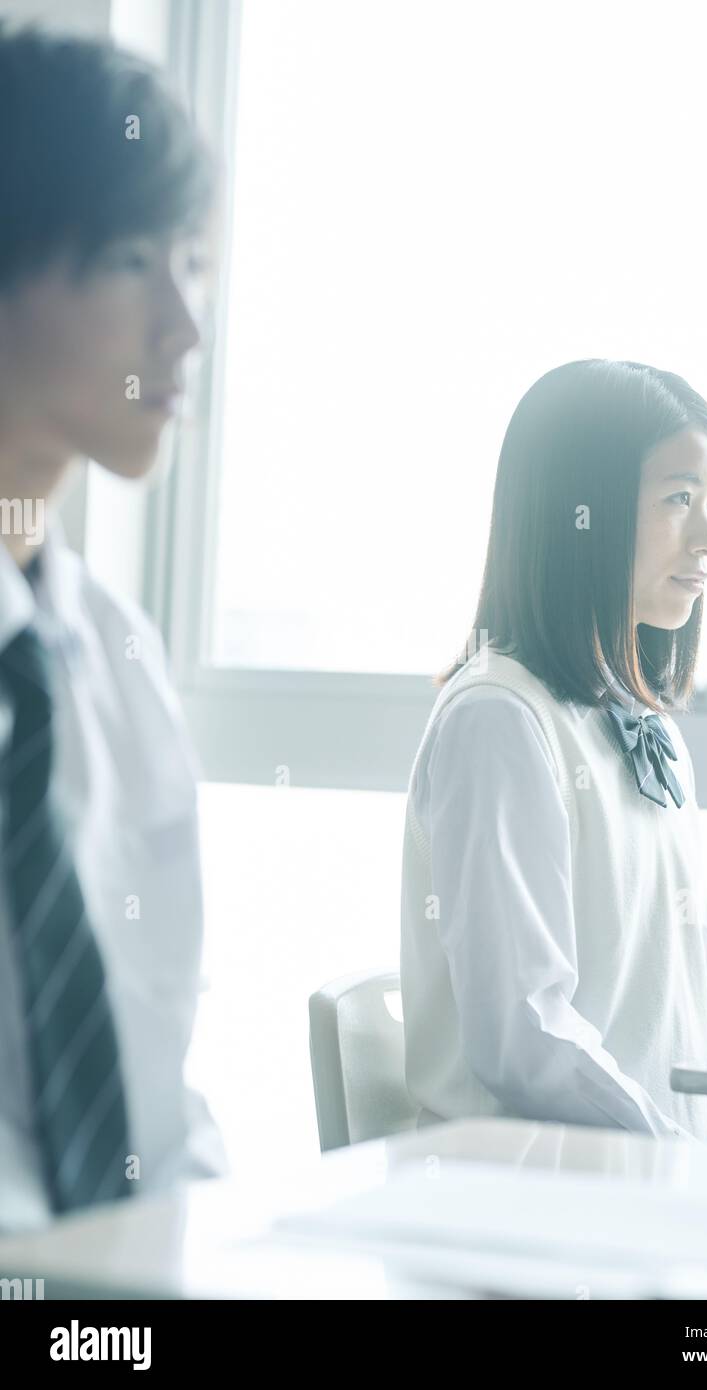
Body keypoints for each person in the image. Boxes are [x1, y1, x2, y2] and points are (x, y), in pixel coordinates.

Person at [401, 357, 707, 1144]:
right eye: (677, 500)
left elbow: (697, 1008)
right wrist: (677, 1161)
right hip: (539, 1192)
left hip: (641, 1184)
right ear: (581, 512)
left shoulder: (647, 725)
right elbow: (524, 1039)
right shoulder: (497, 719)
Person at [0, 22, 227, 1229]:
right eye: (137, 260)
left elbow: (157, 1093)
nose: (184, 330)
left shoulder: (118, 660)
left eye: (194, 267)